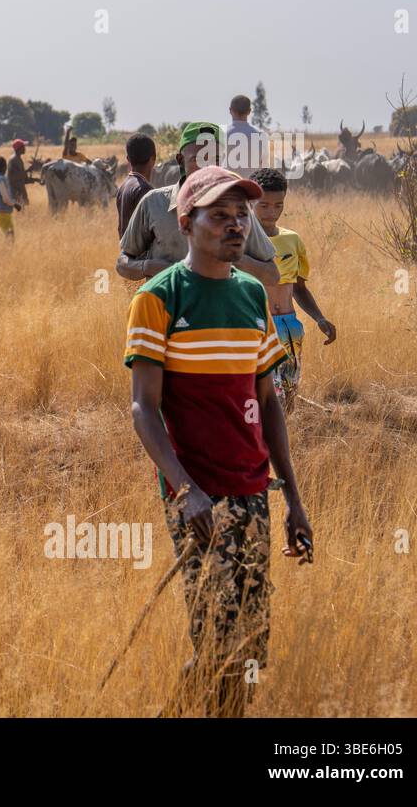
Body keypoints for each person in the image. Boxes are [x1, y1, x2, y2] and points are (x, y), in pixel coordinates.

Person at [124, 165, 312, 717]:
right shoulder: (160, 299)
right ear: (186, 222)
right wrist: (185, 490)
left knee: (252, 644)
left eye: (241, 216)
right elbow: (143, 407)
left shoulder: (253, 295)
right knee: (214, 642)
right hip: (197, 497)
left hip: (252, 488)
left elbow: (270, 401)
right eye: (219, 216)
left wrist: (294, 501)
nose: (235, 226)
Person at [118, 122, 278, 287]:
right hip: (166, 310)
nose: (207, 167)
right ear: (180, 160)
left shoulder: (238, 209)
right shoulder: (154, 203)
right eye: (198, 159)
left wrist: (233, 261)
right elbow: (123, 262)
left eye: (215, 159)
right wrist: (148, 267)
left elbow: (273, 275)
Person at [250, 168, 337, 413]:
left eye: (278, 205)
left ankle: (289, 442)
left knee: (290, 390)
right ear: (251, 203)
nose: (271, 213)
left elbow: (300, 289)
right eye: (264, 206)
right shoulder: (242, 240)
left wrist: (319, 318)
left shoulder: (292, 240)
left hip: (290, 326)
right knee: (264, 393)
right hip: (258, 328)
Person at [116, 133, 156, 238]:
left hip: (125, 253)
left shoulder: (122, 187)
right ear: (153, 158)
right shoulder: (145, 190)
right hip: (143, 254)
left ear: (128, 159)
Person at [225, 94, 269, 174]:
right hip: (252, 184)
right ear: (249, 111)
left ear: (230, 110)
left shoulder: (222, 134)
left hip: (228, 184)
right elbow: (264, 165)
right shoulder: (260, 135)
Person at [6, 139, 31, 210]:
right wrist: (28, 170)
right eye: (23, 147)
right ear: (19, 149)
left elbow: (22, 177)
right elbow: (12, 177)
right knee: (19, 211)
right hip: (15, 191)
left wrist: (35, 180)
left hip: (19, 189)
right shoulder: (13, 160)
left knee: (22, 211)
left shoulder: (18, 159)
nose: (25, 148)